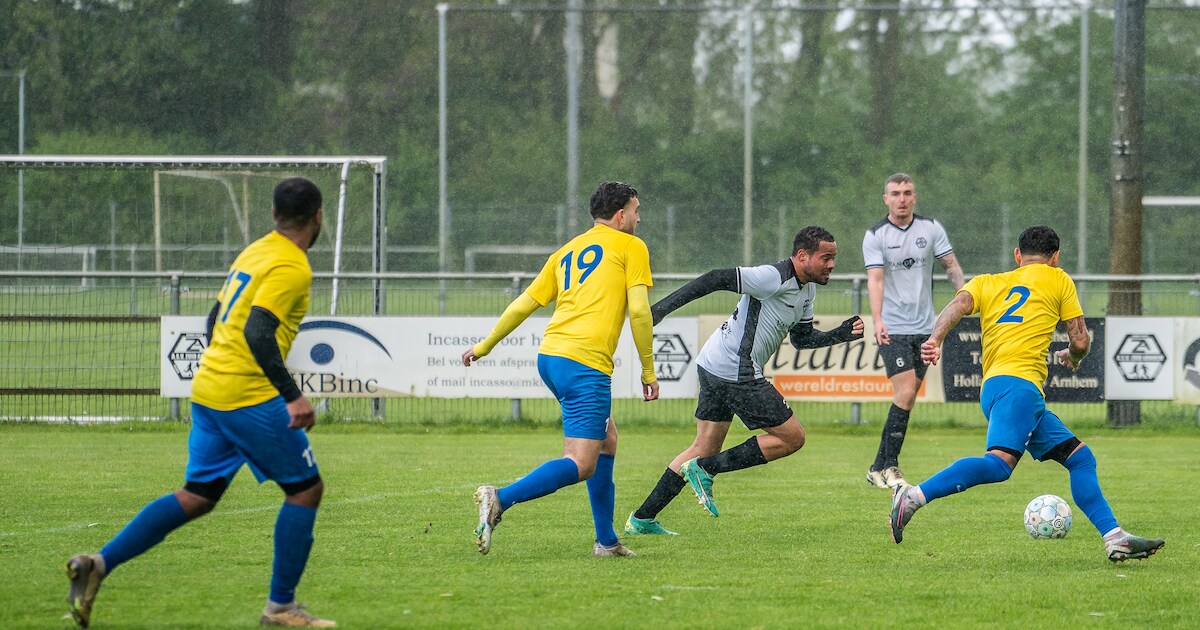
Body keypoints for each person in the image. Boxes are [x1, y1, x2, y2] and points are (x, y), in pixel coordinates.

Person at [65, 178, 337, 628]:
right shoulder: (293, 265)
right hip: (245, 394)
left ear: (273, 215)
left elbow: (215, 319)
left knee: (198, 495)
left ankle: (99, 563)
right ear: (318, 216)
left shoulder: (256, 250)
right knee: (306, 490)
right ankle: (281, 607)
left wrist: (221, 367)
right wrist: (292, 397)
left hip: (210, 388)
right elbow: (257, 331)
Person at [889, 226, 1165, 563]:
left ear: (1017, 256)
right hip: (1019, 388)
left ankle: (1115, 537)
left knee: (1080, 458)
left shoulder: (988, 282)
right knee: (999, 464)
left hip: (999, 389)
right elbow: (1079, 340)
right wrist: (1073, 357)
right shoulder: (1058, 278)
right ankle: (914, 496)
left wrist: (936, 338)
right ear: (1055, 257)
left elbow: (957, 304)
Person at [625, 226, 864, 535]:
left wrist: (839, 335)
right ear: (802, 256)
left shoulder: (808, 289)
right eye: (826, 258)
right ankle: (705, 469)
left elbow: (802, 338)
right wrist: (660, 310)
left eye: (834, 258)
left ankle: (642, 519)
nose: (832, 265)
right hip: (733, 370)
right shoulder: (772, 277)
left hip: (713, 364)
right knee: (792, 438)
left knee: (703, 446)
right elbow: (714, 278)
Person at [464, 181, 658, 557]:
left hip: (552, 357)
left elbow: (524, 303)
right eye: (636, 210)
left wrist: (485, 345)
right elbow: (638, 311)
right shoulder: (632, 246)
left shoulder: (568, 250)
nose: (639, 218)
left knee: (607, 441)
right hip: (583, 363)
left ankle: (606, 541)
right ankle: (499, 497)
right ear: (620, 215)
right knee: (582, 462)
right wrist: (648, 371)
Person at [862, 173, 964, 490]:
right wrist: (877, 319)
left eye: (907, 193)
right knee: (905, 393)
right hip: (893, 328)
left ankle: (876, 467)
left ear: (914, 197)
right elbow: (876, 279)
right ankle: (890, 467)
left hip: (925, 329)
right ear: (886, 199)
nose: (902, 199)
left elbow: (951, 264)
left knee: (907, 398)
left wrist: (965, 295)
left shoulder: (930, 229)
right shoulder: (875, 235)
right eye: (895, 193)